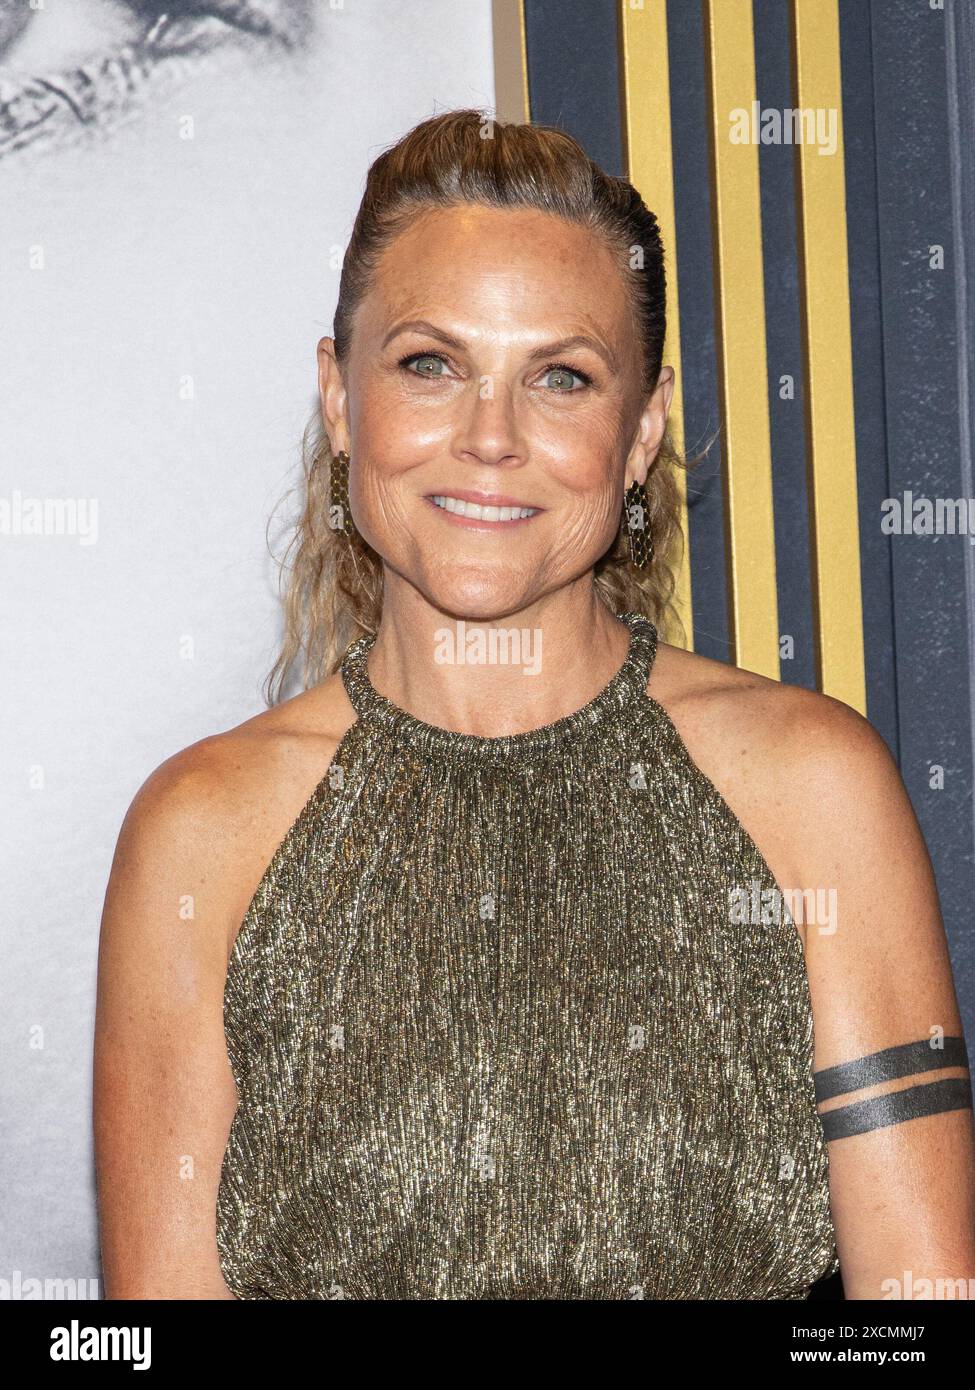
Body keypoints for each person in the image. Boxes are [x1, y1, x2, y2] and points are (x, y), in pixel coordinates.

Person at [93, 108, 975, 1300]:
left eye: (560, 377)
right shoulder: (199, 832)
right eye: (430, 364)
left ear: (640, 430)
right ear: (340, 396)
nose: (491, 437)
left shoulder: (814, 792)